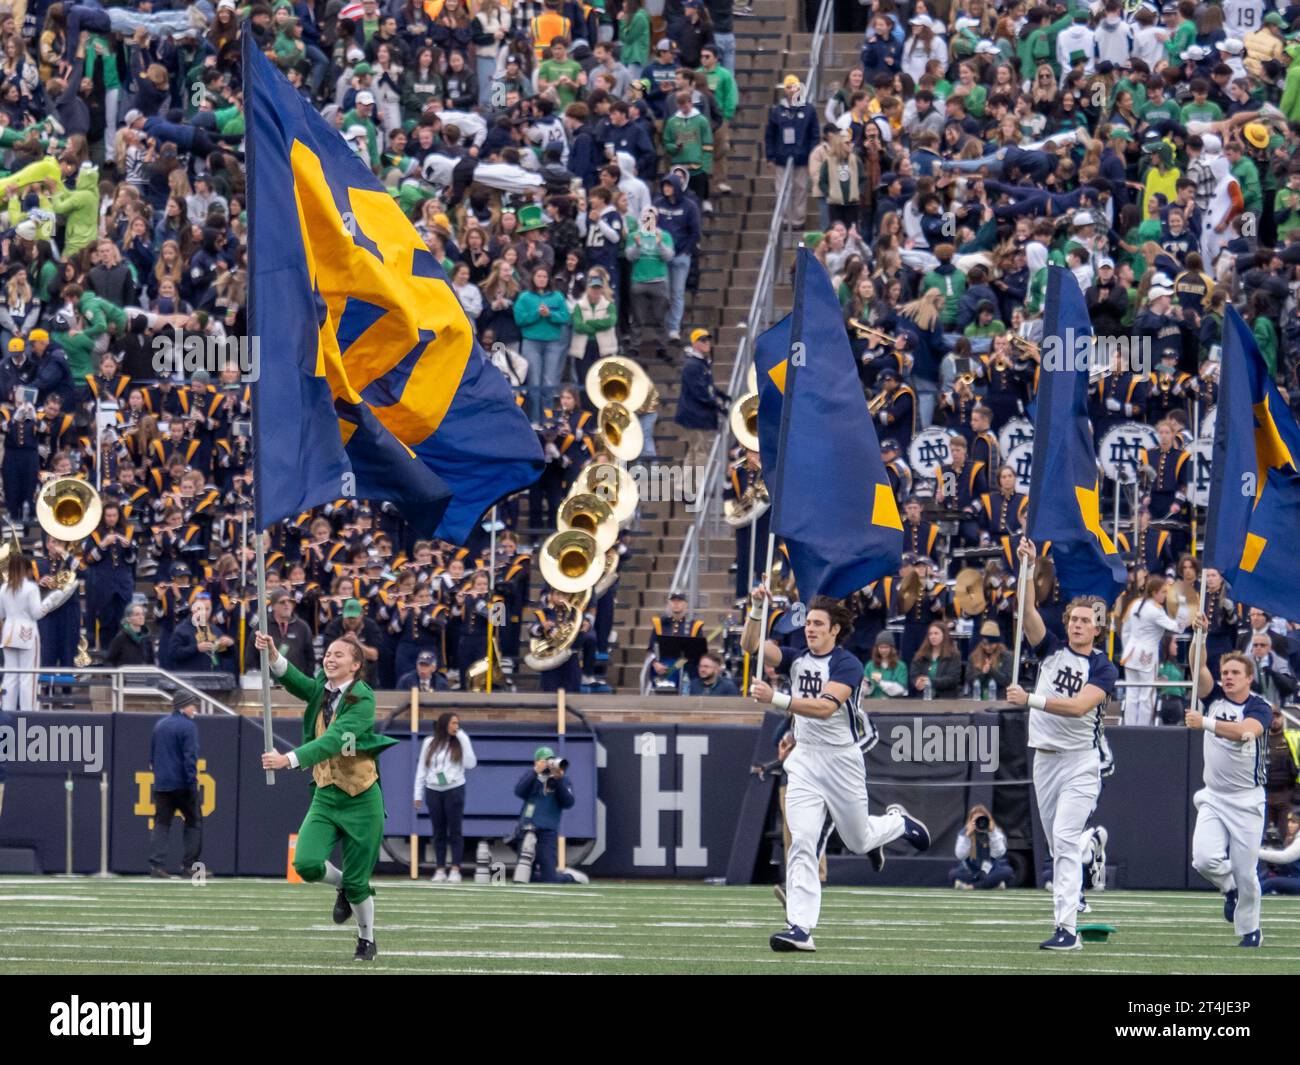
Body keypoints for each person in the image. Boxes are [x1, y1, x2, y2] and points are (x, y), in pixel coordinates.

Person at [742, 585, 931, 953]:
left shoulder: (848, 664)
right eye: (808, 623)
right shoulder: (796, 657)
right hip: (806, 760)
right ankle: (800, 927)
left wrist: (776, 699)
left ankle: (897, 822)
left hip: (841, 760)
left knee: (858, 838)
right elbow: (751, 646)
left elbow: (826, 708)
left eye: (818, 624)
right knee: (802, 841)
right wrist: (755, 610)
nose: (810, 629)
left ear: (835, 630)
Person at [256, 630, 399, 962]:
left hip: (362, 797)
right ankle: (341, 886)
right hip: (326, 793)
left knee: (360, 881)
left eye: (339, 655)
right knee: (306, 863)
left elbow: (334, 739)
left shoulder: (363, 698)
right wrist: (273, 655)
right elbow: (299, 683)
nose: (330, 658)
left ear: (356, 665)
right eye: (328, 653)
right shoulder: (323, 688)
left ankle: (367, 939)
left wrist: (287, 760)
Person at [1006, 538, 1118, 951]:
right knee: (1059, 845)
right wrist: (1029, 567)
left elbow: (1077, 707)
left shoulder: (1103, 667)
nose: (1077, 624)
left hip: (1080, 762)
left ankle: (1066, 930)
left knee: (1064, 844)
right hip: (1045, 758)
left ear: (1097, 627)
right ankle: (1092, 845)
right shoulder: (1051, 650)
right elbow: (1027, 611)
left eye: (1085, 620)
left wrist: (1031, 699)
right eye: (1073, 618)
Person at [1186, 633, 1270, 948]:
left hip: (1247, 800)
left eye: (1235, 673)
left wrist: (1204, 723)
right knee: (1204, 859)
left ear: (1249, 678)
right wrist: (1200, 635)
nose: (1228, 677)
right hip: (1214, 796)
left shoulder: (1259, 707)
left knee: (1246, 871)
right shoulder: (1214, 698)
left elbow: (1245, 733)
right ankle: (1228, 886)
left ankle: (1250, 931)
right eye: (1225, 673)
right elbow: (1197, 665)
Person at [0, 545, 77, 711]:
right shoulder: (30, 588)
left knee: (10, 676)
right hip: (27, 631)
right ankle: (29, 712)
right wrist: (51, 601)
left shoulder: (3, 589)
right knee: (29, 676)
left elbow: (1, 614)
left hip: (8, 632)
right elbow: (36, 613)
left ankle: (7, 711)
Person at [1119, 575, 1191, 726]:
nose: (1165, 595)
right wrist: (1183, 605)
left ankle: (1129, 727)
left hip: (1130, 653)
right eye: (1163, 592)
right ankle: (1142, 729)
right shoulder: (1155, 611)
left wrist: (1128, 647)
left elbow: (1125, 630)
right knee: (1146, 695)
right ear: (1154, 593)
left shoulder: (1135, 604)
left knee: (1132, 694)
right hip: (1147, 656)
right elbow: (1177, 627)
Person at [414, 711, 477, 882]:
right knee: (438, 831)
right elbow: (422, 768)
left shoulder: (460, 741)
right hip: (433, 790)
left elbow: (471, 763)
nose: (456, 727)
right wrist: (417, 793)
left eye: (458, 723)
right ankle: (440, 869)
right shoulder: (429, 742)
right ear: (444, 724)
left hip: (454, 789)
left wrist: (462, 737)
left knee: (455, 830)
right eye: (453, 724)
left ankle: (455, 868)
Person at [148, 690, 202, 879]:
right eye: (193, 704)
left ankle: (157, 866)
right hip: (182, 784)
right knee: (194, 822)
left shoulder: (160, 725)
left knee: (161, 824)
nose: (195, 708)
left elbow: (152, 758)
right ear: (184, 706)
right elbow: (190, 758)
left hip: (162, 784)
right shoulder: (188, 727)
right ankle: (190, 867)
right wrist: (192, 783)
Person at [512, 745, 577, 883]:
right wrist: (535, 772)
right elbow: (519, 791)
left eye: (551, 760)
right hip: (527, 829)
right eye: (545, 761)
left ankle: (569, 878)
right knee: (524, 876)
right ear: (536, 762)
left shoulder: (562, 779)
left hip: (547, 831)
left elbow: (569, 802)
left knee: (549, 879)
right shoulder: (531, 775)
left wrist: (559, 780)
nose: (549, 764)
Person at [950, 805, 1015, 889]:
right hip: (971, 871)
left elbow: (999, 853)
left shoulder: (994, 831)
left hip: (991, 870)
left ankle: (972, 887)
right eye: (976, 820)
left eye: (982, 819)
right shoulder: (964, 833)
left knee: (1008, 871)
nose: (980, 822)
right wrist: (967, 836)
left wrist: (992, 833)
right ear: (970, 821)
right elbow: (960, 855)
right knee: (953, 874)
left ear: (988, 820)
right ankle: (992, 884)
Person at [104, 601, 155, 667]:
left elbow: (151, 661)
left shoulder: (146, 638)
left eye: (142, 614)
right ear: (128, 619)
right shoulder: (120, 638)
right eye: (137, 614)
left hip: (143, 675)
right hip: (125, 675)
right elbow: (109, 661)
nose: (141, 617)